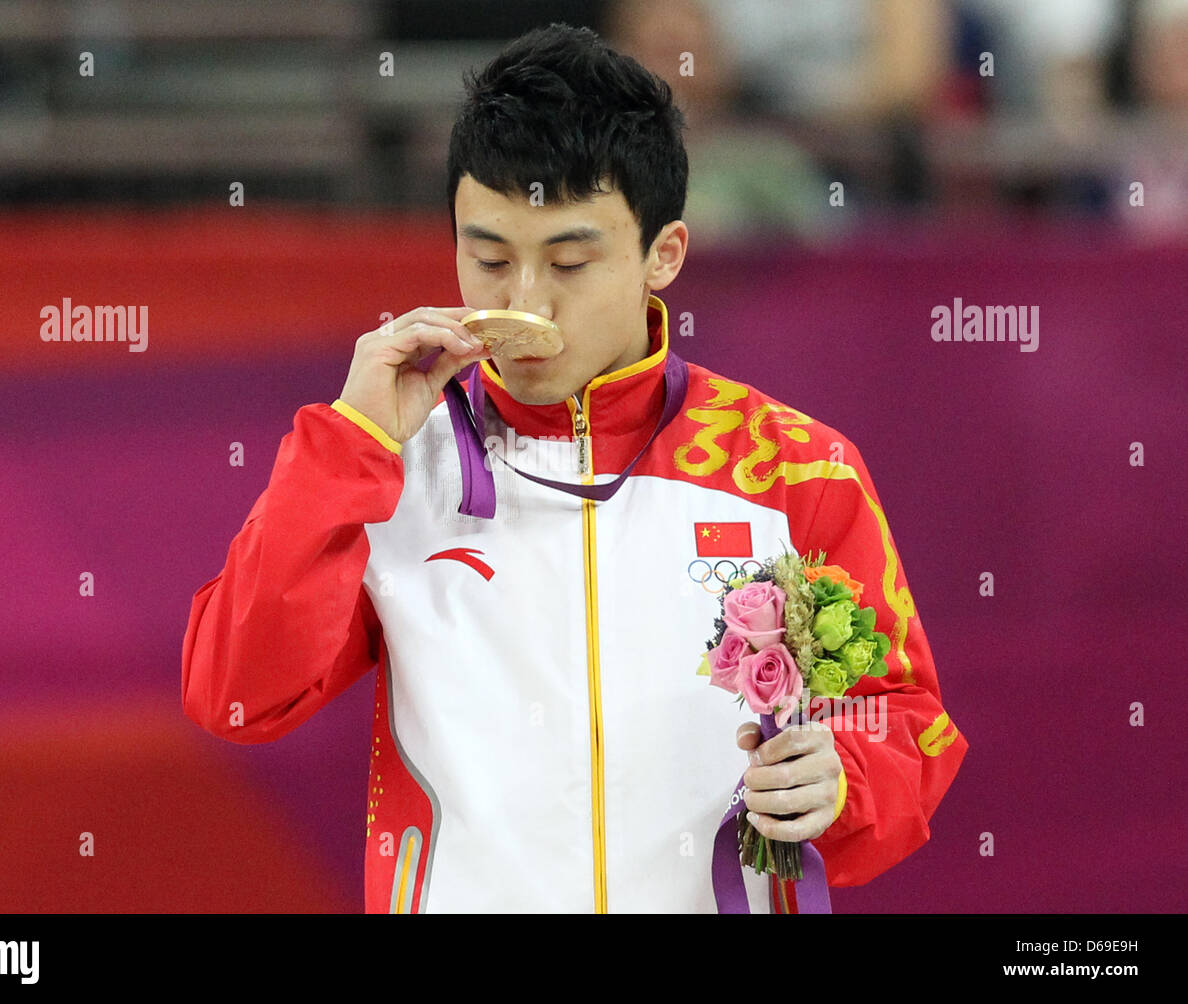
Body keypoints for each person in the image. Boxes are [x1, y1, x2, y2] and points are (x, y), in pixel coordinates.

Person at [180, 22, 967, 913]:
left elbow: (908, 721)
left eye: (569, 261)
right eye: (487, 259)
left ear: (662, 255)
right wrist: (348, 440)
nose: (524, 305)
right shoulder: (386, 466)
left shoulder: (797, 468)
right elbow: (234, 695)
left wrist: (843, 777)